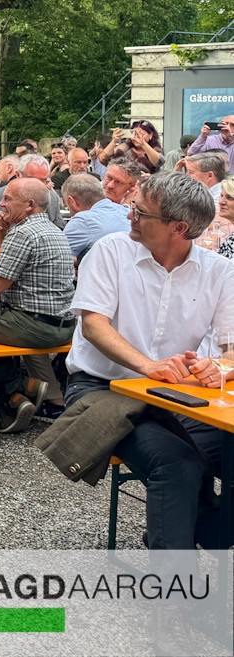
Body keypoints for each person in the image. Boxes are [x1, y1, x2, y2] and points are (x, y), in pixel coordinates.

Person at [64, 171, 234, 550]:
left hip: (175, 395)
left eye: (141, 212)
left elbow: (231, 348)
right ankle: (177, 576)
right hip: (102, 389)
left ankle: (198, 528)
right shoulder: (111, 250)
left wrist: (220, 367)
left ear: (179, 228)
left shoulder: (219, 271)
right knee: (177, 465)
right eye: (133, 207)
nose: (129, 215)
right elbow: (93, 325)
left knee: (201, 462)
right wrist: (148, 366)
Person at [0, 178, 75, 431]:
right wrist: (2, 234)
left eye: (8, 198)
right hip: (62, 325)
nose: (0, 203)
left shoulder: (23, 232)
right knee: (3, 320)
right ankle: (52, 400)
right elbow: (11, 269)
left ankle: (17, 385)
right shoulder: (53, 230)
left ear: (29, 205)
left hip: (33, 325)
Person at [0, 154, 65, 228]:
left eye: (43, 181)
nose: (37, 185)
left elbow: (60, 229)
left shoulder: (52, 197)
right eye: (32, 180)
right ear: (18, 175)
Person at [61, 173, 130, 262]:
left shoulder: (82, 221)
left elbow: (58, 258)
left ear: (72, 202)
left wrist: (81, 261)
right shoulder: (127, 212)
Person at [98, 120, 163, 173]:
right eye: (134, 134)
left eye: (142, 134)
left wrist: (143, 144)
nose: (136, 138)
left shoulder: (155, 149)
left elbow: (158, 162)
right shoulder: (125, 148)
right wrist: (114, 141)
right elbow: (103, 159)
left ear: (150, 135)